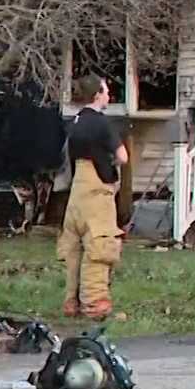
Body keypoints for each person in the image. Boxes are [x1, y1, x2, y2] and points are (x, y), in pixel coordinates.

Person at [60, 75, 127, 320]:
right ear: (97, 95)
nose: (109, 95)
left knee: (74, 248)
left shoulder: (74, 122)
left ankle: (72, 303)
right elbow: (123, 156)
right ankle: (95, 305)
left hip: (77, 191)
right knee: (99, 246)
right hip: (97, 192)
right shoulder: (102, 124)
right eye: (107, 91)